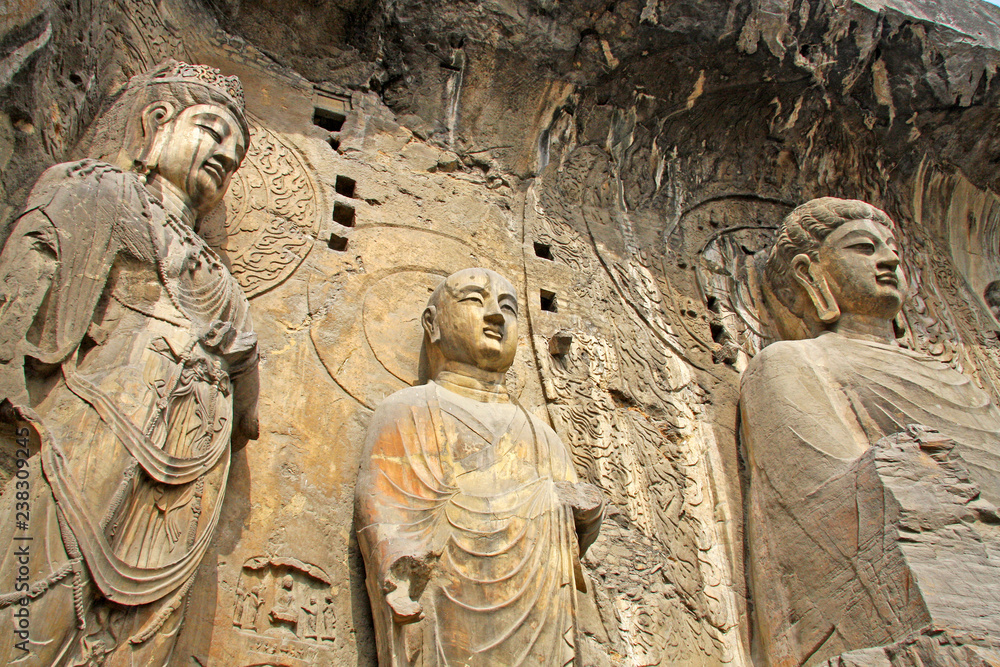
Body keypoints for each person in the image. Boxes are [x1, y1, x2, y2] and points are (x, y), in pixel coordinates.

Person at [0, 60, 258, 666]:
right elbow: (33, 269)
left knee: (142, 636)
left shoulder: (222, 279)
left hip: (188, 470)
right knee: (40, 591)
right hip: (89, 427)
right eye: (212, 130)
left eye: (236, 152)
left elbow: (248, 404)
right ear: (157, 122)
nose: (224, 154)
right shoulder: (100, 190)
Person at [740, 197, 1000, 665]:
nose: (889, 259)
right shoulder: (795, 362)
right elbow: (808, 501)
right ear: (808, 272)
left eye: (892, 248)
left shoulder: (965, 384)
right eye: (863, 247)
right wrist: (916, 468)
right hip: (934, 582)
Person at [355, 268, 604, 666]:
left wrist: (578, 516)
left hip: (539, 611)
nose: (495, 316)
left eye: (507, 307)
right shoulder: (408, 410)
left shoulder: (542, 436)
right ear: (432, 324)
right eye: (475, 300)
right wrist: (397, 565)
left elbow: (569, 542)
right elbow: (381, 505)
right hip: (446, 601)